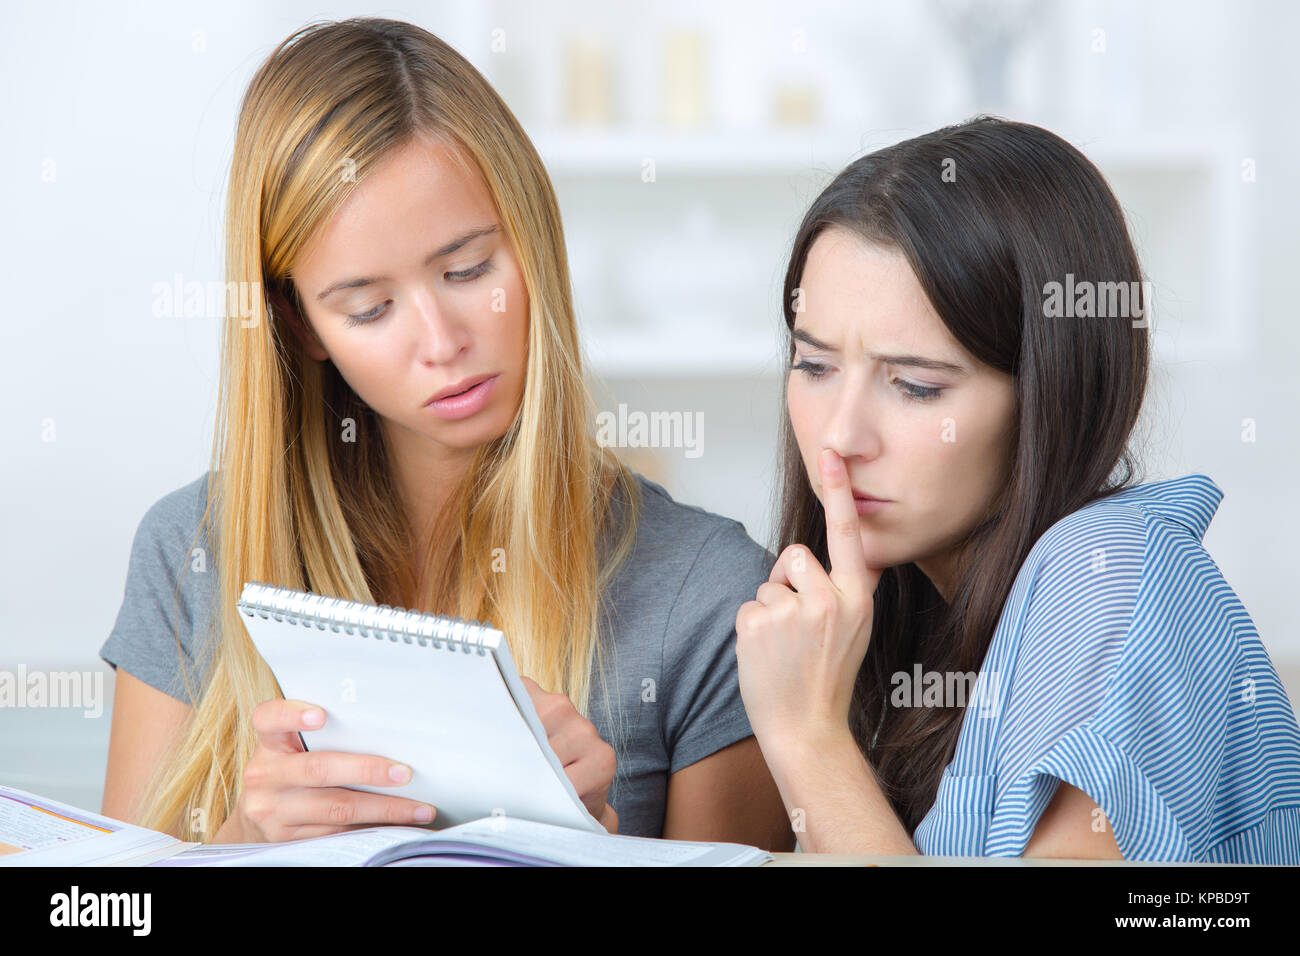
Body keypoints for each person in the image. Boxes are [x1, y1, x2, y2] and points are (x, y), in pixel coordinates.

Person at [99, 17, 792, 850]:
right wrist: (241, 845)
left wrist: (599, 852)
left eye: (467, 270)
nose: (442, 342)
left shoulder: (708, 592)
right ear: (300, 325)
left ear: (535, 239)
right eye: (369, 307)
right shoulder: (190, 553)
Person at [734, 115, 1300, 862]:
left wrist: (809, 743)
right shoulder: (897, 623)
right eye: (813, 367)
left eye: (915, 386)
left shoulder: (1109, 567)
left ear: (1050, 394)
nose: (840, 436)